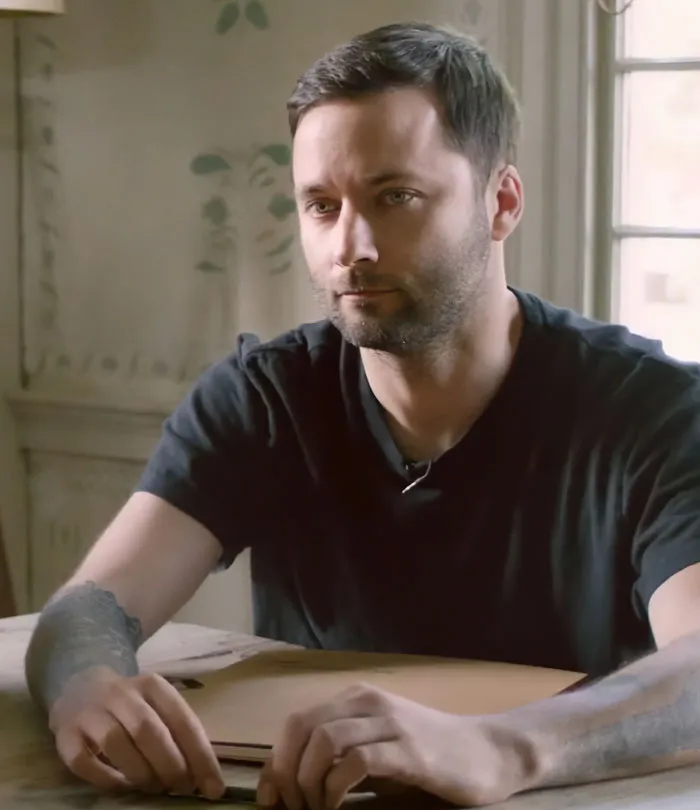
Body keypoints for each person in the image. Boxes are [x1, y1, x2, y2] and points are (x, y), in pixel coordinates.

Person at [25, 20, 700, 809]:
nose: (352, 246)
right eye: (320, 205)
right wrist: (87, 686)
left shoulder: (651, 408)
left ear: (502, 202)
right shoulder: (264, 398)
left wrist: (506, 746)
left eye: (397, 197)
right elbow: (88, 607)